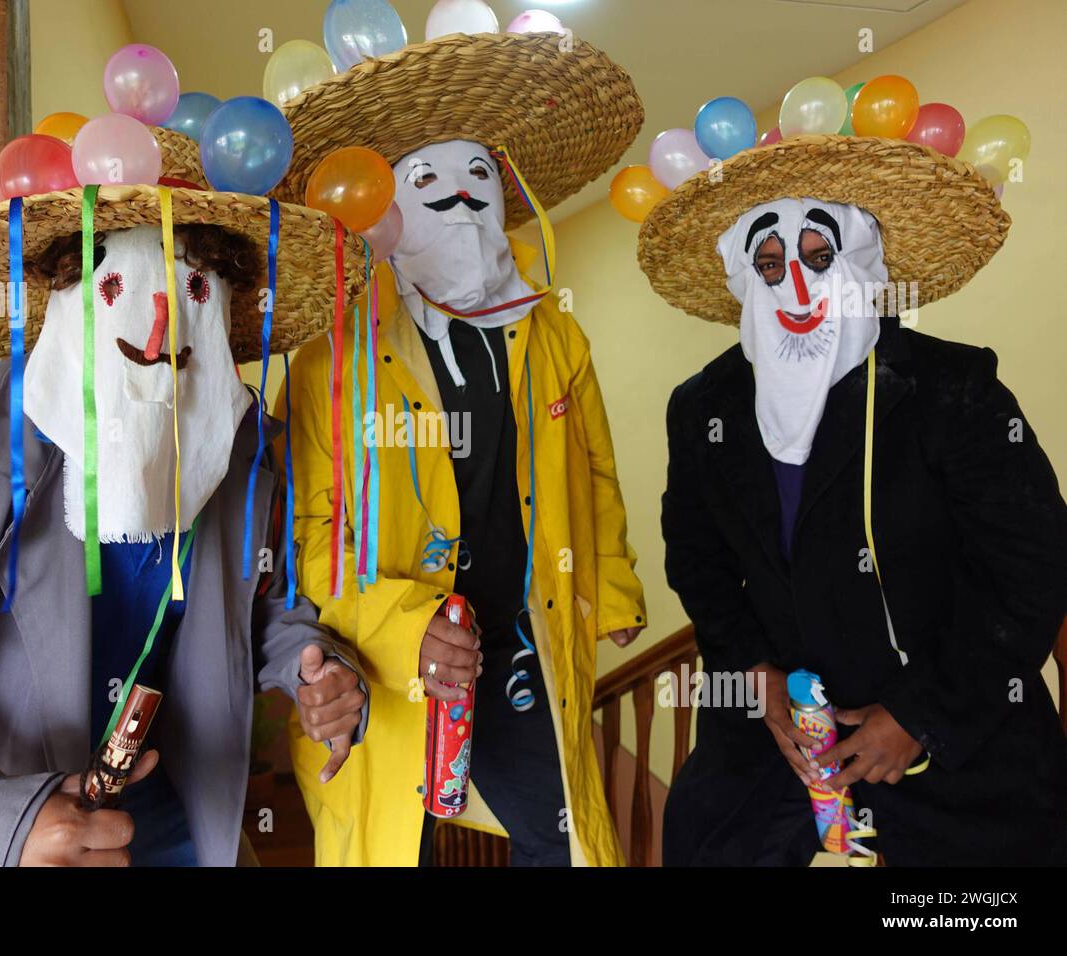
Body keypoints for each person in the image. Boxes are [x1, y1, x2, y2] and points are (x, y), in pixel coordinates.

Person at [0, 125, 371, 866]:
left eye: (192, 287)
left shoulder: (237, 450)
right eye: (116, 285)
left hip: (182, 823)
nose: (156, 330)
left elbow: (262, 600)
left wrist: (308, 660)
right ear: (64, 295)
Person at [636, 130, 1067, 865]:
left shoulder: (952, 390)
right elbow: (697, 557)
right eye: (768, 265)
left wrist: (921, 715)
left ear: (862, 264)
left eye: (817, 257)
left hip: (953, 717)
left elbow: (1030, 569)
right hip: (782, 727)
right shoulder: (704, 407)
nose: (794, 287)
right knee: (706, 838)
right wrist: (751, 672)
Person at [273, 30, 648, 866]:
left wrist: (614, 592)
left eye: (479, 174)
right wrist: (407, 629)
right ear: (382, 206)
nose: (461, 198)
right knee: (391, 840)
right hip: (389, 660)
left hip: (524, 641)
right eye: (429, 179)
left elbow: (593, 469)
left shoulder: (555, 336)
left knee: (567, 841)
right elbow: (314, 530)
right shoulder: (329, 360)